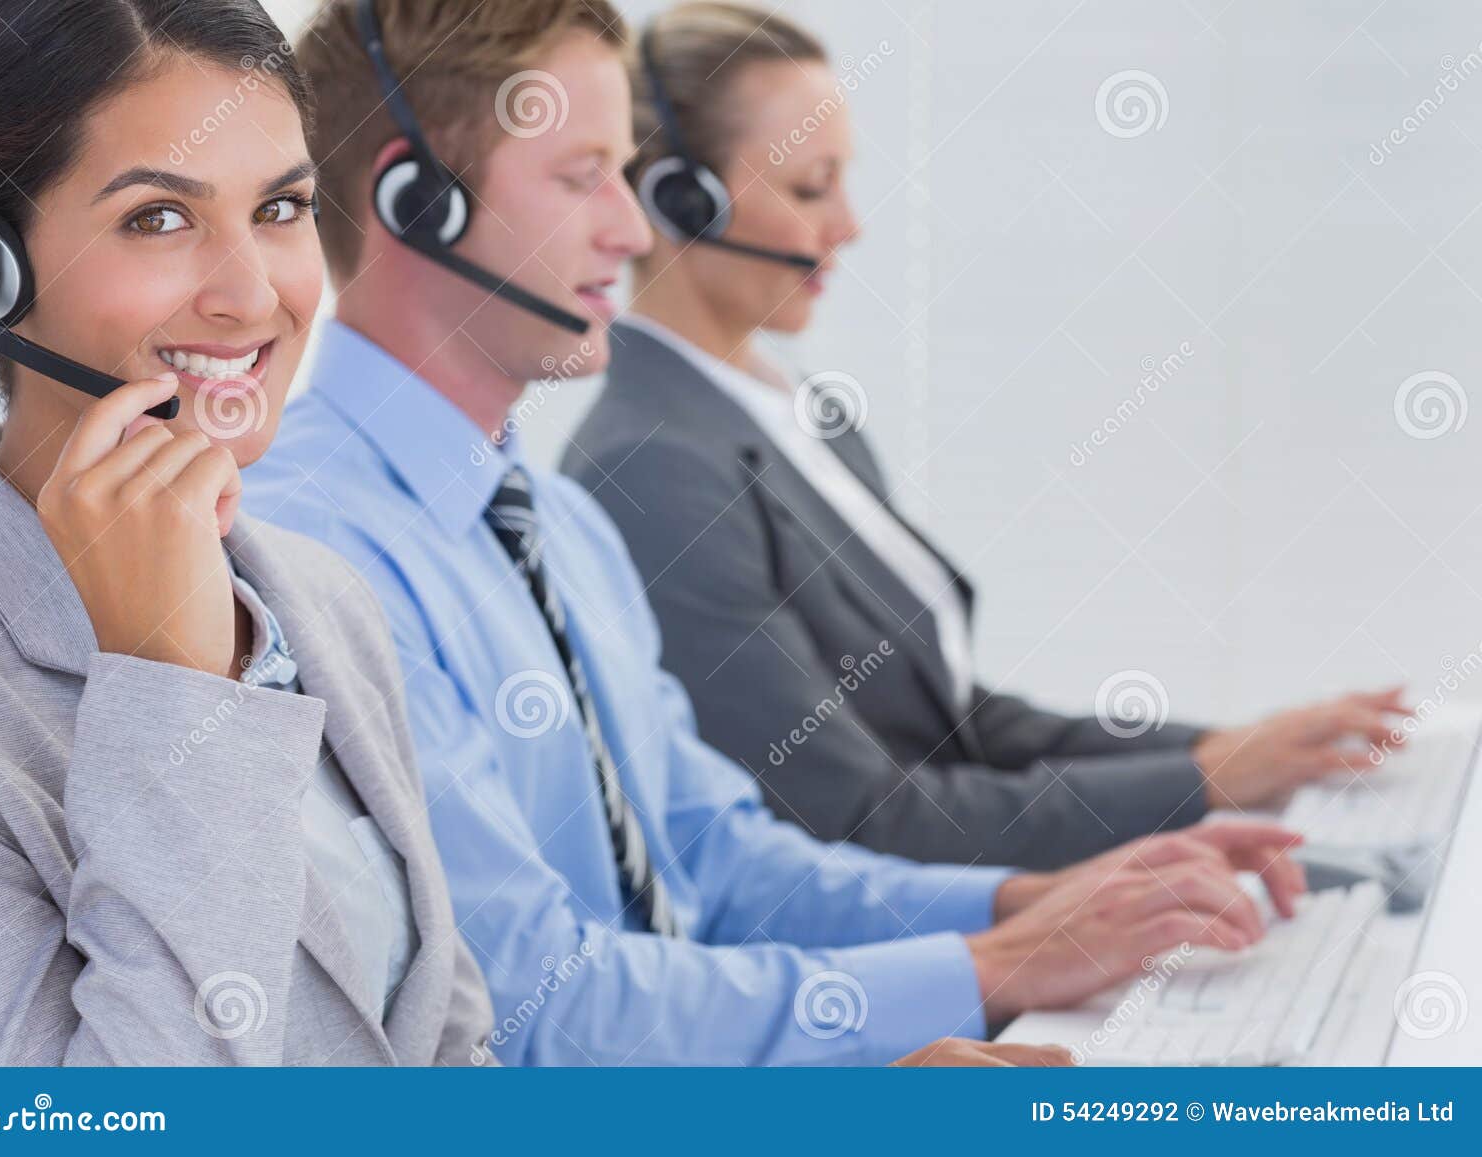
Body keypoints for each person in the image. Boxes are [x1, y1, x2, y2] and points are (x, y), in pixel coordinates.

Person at [243, 0, 1306, 1067]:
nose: (630, 226)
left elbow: (719, 858)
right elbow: (528, 1003)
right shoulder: (311, 553)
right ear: (414, 201)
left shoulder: (559, 529)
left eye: (626, 172)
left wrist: (1035, 903)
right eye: (580, 178)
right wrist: (986, 969)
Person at [562, 0, 1412, 870]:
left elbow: (955, 723)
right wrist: (1203, 781)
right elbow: (861, 820)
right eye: (811, 187)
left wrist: (1237, 752)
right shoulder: (654, 471)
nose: (848, 225)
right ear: (679, 200)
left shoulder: (791, 408)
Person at [0, 0, 494, 1065]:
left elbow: (451, 1052)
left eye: (283, 207)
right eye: (159, 217)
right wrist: (169, 682)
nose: (252, 292)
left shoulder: (320, 600)